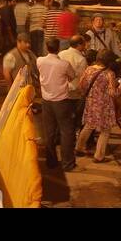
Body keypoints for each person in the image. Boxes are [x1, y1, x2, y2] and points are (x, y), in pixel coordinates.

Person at [75, 50, 121, 162]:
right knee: (105, 130)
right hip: (105, 106)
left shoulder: (89, 69)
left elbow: (81, 86)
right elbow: (113, 93)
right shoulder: (109, 73)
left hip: (91, 103)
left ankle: (78, 148)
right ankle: (99, 156)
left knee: (88, 126)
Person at [37, 38, 78, 171]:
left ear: (46, 47)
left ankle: (51, 161)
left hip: (46, 101)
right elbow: (72, 76)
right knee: (66, 132)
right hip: (61, 101)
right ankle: (67, 163)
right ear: (58, 48)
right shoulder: (64, 64)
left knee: (49, 132)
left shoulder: (40, 61)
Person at [60, 35, 89, 118]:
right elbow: (82, 78)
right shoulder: (81, 59)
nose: (85, 46)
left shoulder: (61, 53)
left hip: (60, 91)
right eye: (84, 44)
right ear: (79, 45)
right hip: (74, 94)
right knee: (73, 117)